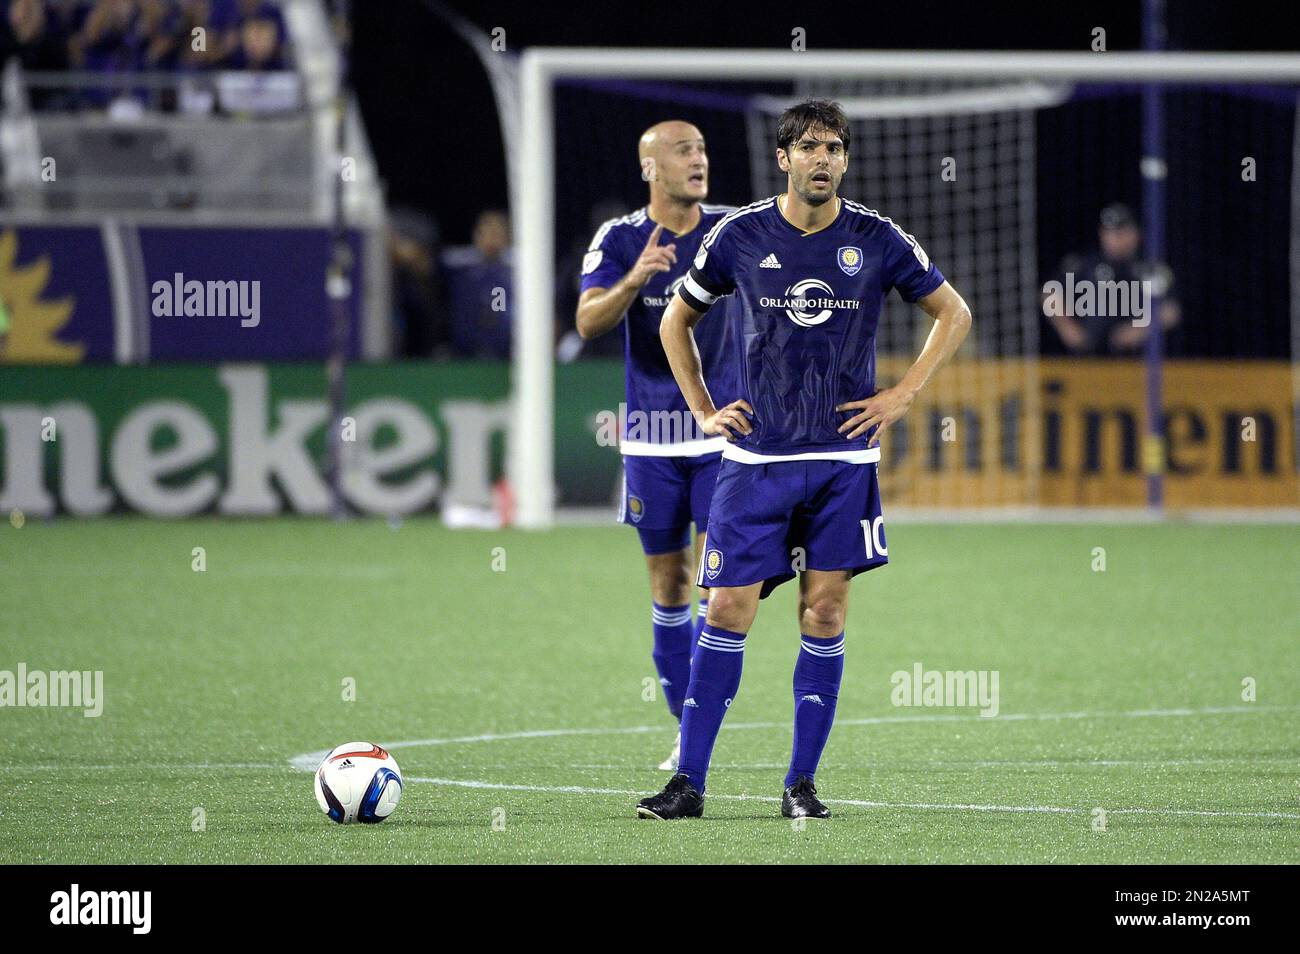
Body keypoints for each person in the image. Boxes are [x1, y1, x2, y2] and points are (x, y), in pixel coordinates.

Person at [639, 99, 972, 820]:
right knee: (724, 607)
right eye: (810, 147)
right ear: (785, 157)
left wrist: (904, 394)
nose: (824, 159)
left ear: (845, 161)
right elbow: (676, 318)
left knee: (823, 613)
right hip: (755, 462)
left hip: (843, 464)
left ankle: (800, 785)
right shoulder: (740, 235)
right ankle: (688, 782)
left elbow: (955, 312)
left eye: (835, 149)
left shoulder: (876, 239)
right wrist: (702, 410)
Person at [575, 120, 736, 771]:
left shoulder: (731, 229)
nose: (698, 160)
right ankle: (685, 726)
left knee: (715, 589)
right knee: (667, 585)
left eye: (701, 149)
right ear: (650, 168)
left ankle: (695, 739)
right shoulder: (618, 239)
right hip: (651, 440)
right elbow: (587, 321)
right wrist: (635, 279)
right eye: (682, 151)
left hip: (721, 436)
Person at [1044, 203, 1180, 356]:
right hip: (1087, 357)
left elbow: (1170, 311)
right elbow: (1050, 292)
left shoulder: (1151, 269)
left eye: (1121, 232)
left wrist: (1140, 329)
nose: (1114, 238)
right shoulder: (1085, 264)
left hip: (1138, 359)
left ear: (1135, 233)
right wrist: (1067, 328)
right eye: (1109, 232)